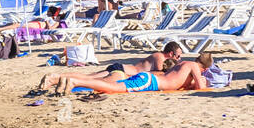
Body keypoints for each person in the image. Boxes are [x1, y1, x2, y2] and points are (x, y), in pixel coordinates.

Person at [40, 53, 212, 96]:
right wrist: (205, 82)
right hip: (149, 82)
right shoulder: (193, 67)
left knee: (100, 79)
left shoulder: (183, 64)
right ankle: (73, 82)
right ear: (204, 67)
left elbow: (177, 82)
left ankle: (68, 79)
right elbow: (200, 88)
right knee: (111, 88)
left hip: (147, 78)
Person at [91, 43, 182, 79]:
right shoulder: (160, 57)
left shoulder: (158, 55)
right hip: (122, 70)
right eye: (178, 56)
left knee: (91, 76)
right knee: (92, 78)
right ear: (170, 54)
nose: (179, 59)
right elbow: (160, 73)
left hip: (122, 68)